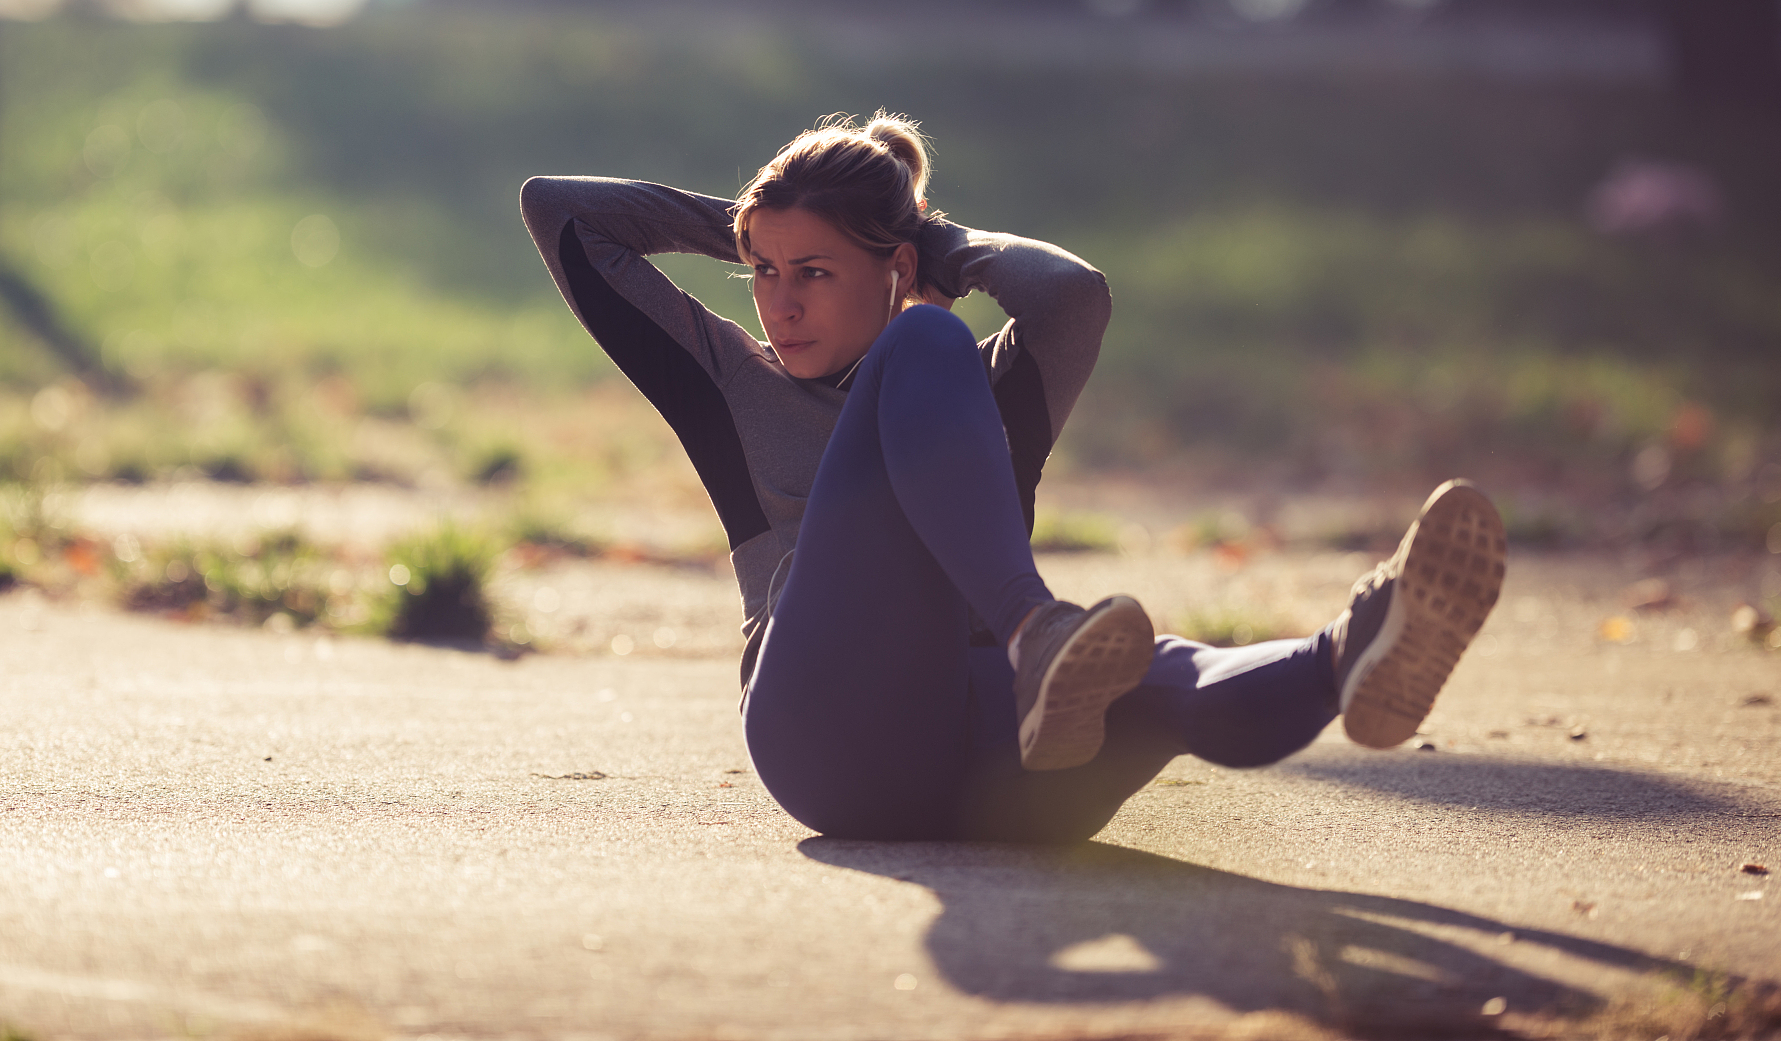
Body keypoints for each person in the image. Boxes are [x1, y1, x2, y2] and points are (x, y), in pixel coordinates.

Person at [521, 113, 1504, 844]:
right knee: (928, 347)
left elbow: (1071, 293)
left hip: (994, 757)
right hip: (822, 731)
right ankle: (1037, 629)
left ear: (893, 263)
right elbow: (558, 210)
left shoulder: (977, 383)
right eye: (764, 271)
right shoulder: (733, 385)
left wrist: (932, 245)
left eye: (814, 271)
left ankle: (1353, 655)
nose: (779, 302)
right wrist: (754, 222)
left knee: (1156, 674)